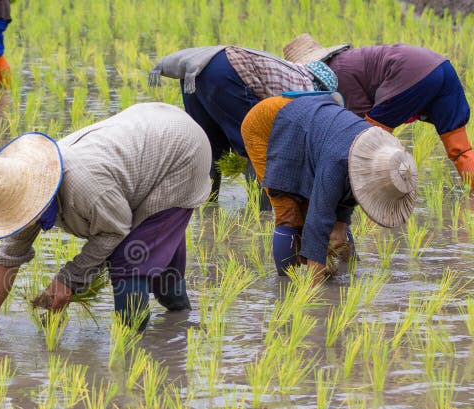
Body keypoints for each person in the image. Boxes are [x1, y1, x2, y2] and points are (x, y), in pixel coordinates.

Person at [0, 103, 213, 330]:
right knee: (157, 245)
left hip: (182, 152)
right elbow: (7, 258)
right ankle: (180, 318)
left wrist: (69, 279)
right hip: (150, 141)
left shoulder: (86, 188)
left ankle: (133, 342)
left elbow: (115, 230)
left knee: (130, 256)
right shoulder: (26, 187)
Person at [240, 93, 418, 282]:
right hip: (270, 123)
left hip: (314, 127)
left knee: (330, 222)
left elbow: (351, 189)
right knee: (289, 214)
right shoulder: (338, 163)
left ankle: (334, 269)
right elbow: (318, 222)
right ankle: (285, 286)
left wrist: (341, 226)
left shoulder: (378, 156)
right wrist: (313, 296)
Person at [148, 45, 339, 202]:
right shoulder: (307, 88)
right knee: (258, 144)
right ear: (322, 87)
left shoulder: (286, 69)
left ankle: (207, 208)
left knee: (209, 149)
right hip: (225, 72)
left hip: (195, 73)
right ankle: (260, 214)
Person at [284, 34, 474, 185]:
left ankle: (377, 194)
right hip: (442, 67)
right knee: (460, 149)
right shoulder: (348, 61)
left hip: (411, 74)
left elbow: (360, 124)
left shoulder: (337, 71)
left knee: (367, 139)